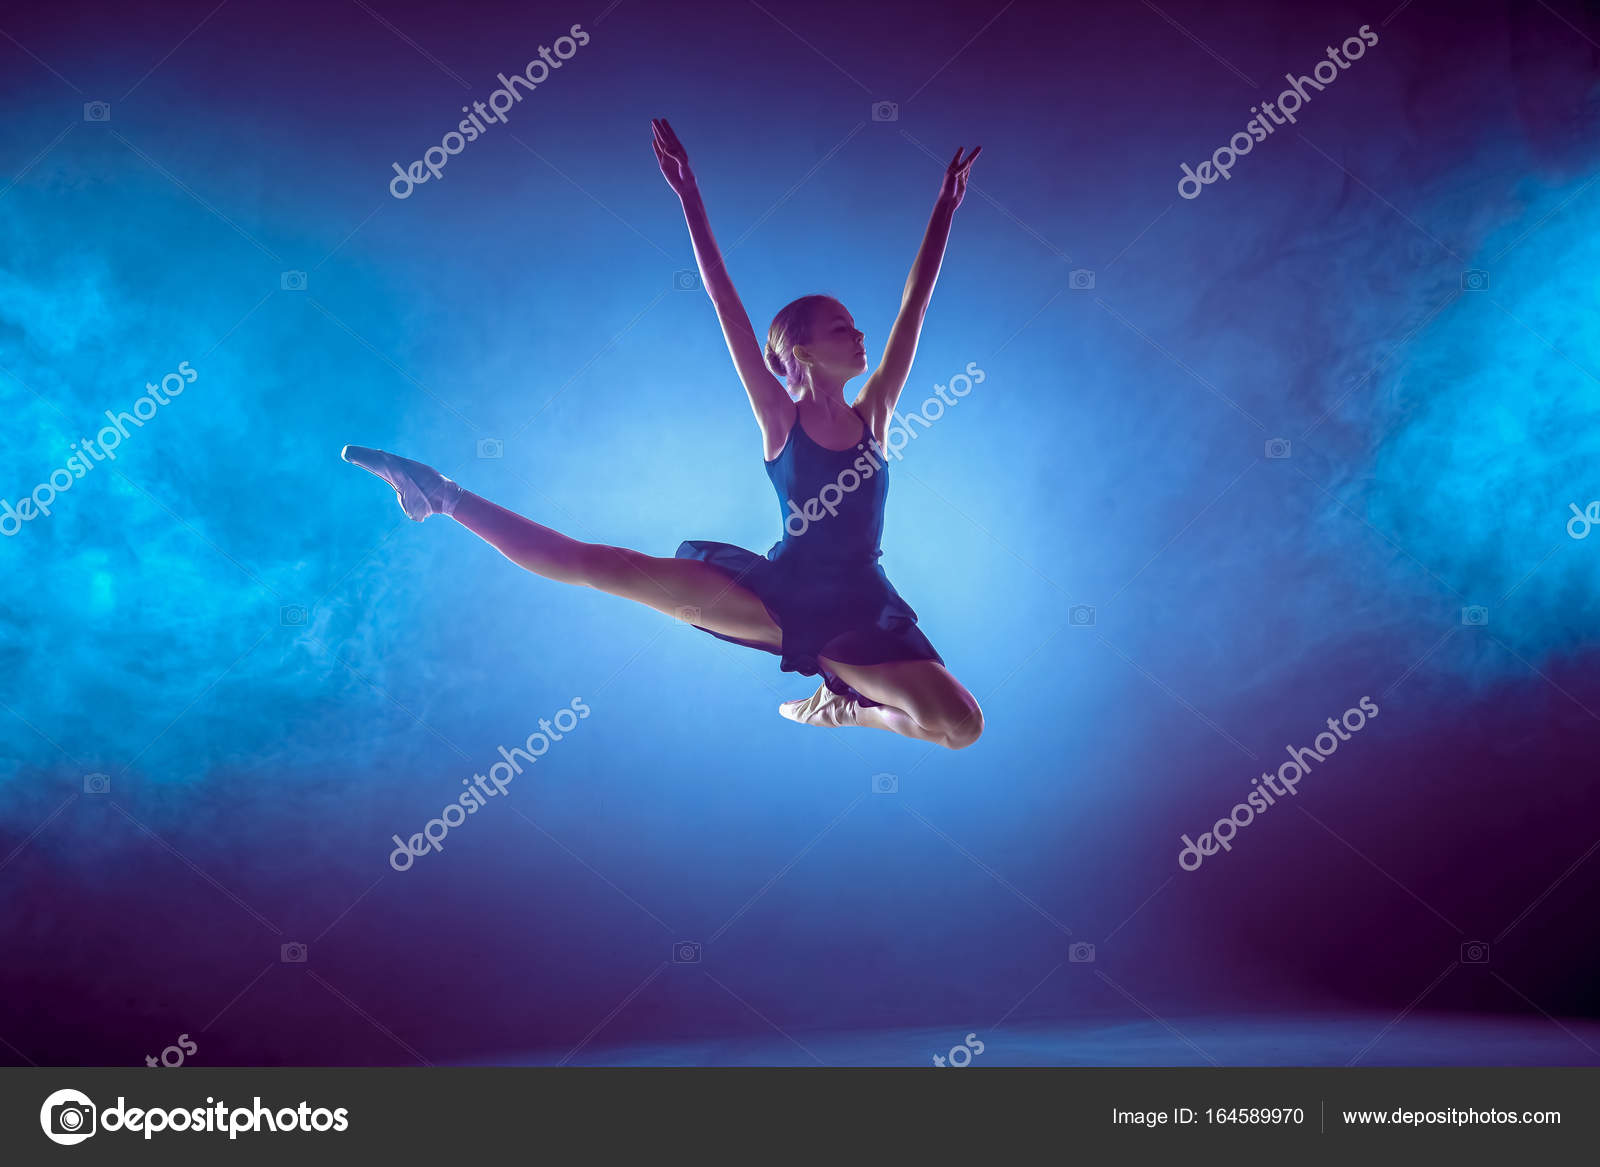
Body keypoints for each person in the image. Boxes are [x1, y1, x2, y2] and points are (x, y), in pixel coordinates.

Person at [343, 119, 983, 749]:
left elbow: (914, 306)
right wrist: (690, 199)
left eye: (855, 326)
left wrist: (945, 209)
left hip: (862, 602)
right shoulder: (780, 417)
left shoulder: (873, 416)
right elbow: (723, 300)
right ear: (803, 351)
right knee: (598, 564)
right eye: (843, 328)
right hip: (778, 593)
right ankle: (443, 494)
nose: (861, 335)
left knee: (961, 726)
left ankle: (844, 710)